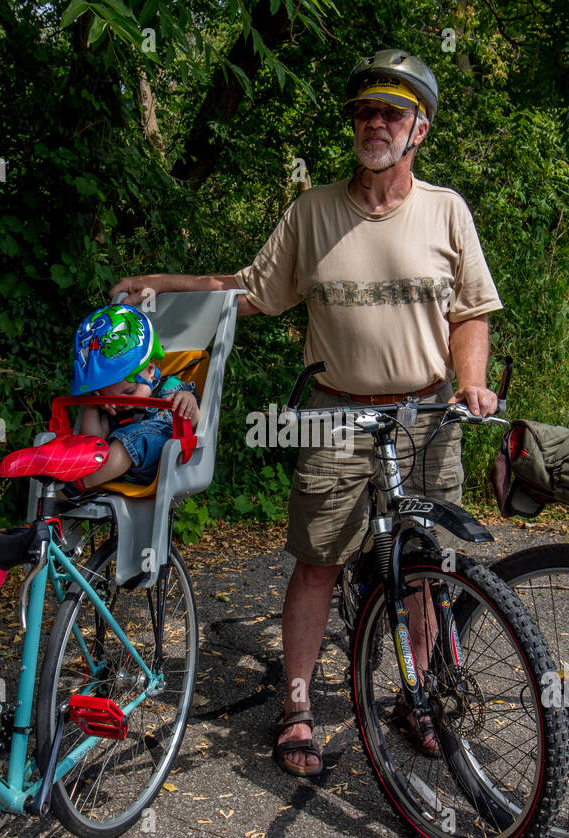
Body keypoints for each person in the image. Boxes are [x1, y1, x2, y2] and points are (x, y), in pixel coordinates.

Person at [110, 49, 501, 776]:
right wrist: (159, 287)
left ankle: (423, 696)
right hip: (335, 415)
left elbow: (471, 311)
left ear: (420, 130)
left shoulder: (446, 209)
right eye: (364, 111)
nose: (375, 122)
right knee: (318, 562)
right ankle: (295, 705)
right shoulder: (313, 211)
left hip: (426, 416)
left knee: (422, 567)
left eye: (391, 112)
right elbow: (250, 290)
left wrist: (472, 384)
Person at [70, 303, 200, 489]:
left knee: (133, 438)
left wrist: (188, 402)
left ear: (150, 370)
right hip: (113, 470)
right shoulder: (117, 408)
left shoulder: (171, 388)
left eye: (129, 392)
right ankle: (53, 505)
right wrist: (94, 404)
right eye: (111, 397)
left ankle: (77, 487)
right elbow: (93, 440)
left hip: (162, 464)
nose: (121, 402)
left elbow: (195, 423)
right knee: (101, 443)